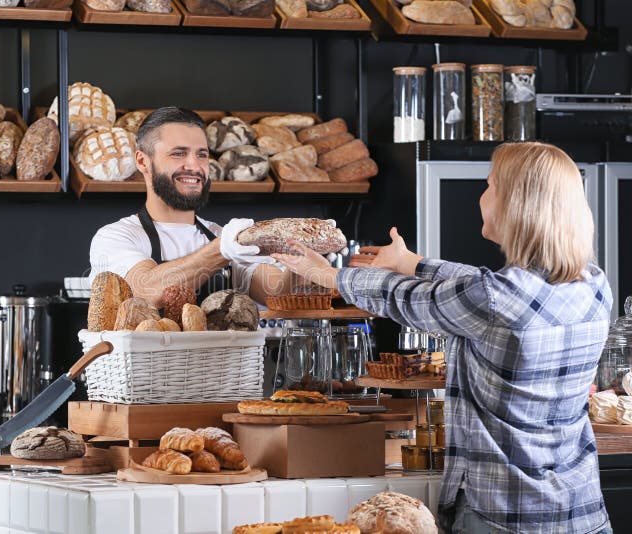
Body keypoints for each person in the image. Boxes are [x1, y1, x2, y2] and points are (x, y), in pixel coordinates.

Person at [272, 142, 613, 534]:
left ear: (517, 205)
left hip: (505, 516)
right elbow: (481, 285)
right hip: (582, 512)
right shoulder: (593, 283)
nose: (482, 197)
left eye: (490, 186)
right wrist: (410, 263)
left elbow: (409, 298)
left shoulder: (491, 299)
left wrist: (329, 276)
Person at [89, 106, 292, 306]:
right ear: (143, 162)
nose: (195, 166)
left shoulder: (221, 235)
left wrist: (309, 264)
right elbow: (146, 292)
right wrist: (221, 250)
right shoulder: (116, 237)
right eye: (178, 154)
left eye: (202, 155)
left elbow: (278, 297)